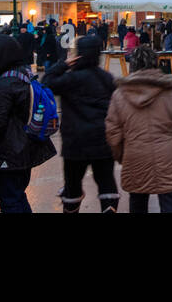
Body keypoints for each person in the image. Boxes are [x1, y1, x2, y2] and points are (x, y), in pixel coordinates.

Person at [105, 44, 172, 213]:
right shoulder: (171, 90)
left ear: (132, 65)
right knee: (170, 202)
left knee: (137, 201)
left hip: (135, 155)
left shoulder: (120, 94)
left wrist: (122, 155)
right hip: (169, 157)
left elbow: (112, 132)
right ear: (156, 63)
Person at [0, 34, 56, 212]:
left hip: (10, 153)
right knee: (17, 196)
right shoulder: (23, 74)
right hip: (26, 149)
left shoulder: (4, 84)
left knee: (10, 200)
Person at [43, 35, 119, 212]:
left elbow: (46, 83)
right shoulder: (106, 78)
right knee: (106, 182)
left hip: (75, 142)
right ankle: (109, 207)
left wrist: (63, 64)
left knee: (73, 184)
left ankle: (71, 206)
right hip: (102, 140)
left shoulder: (71, 79)